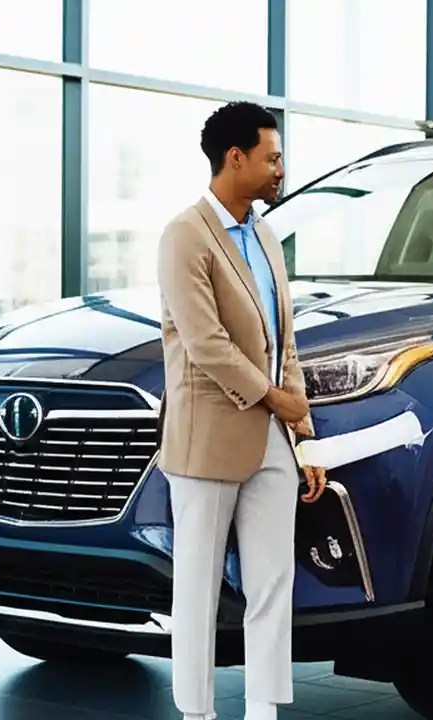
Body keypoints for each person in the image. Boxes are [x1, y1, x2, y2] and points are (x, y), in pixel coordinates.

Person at [156, 100, 327, 720]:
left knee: (272, 582)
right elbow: (205, 344)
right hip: (207, 441)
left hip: (274, 440)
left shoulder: (266, 235)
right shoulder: (184, 236)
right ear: (236, 158)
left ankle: (262, 709)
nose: (281, 168)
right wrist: (276, 397)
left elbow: (285, 342)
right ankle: (196, 712)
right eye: (272, 157)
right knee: (197, 588)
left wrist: (302, 435)